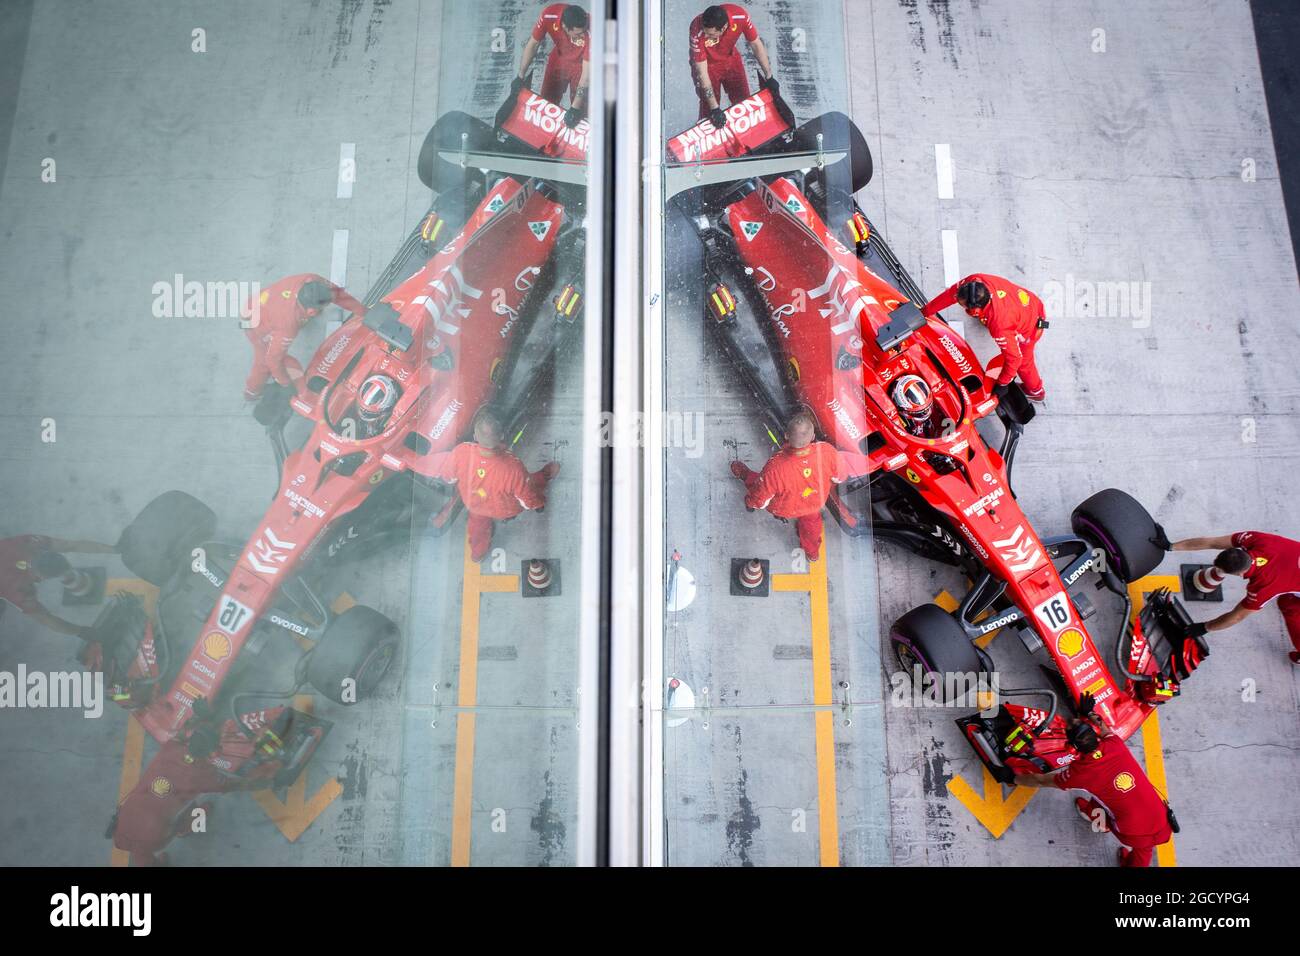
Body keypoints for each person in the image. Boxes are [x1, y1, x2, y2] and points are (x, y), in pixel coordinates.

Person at [1014, 696, 1174, 867]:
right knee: (1144, 848)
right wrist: (1089, 712)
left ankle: (1100, 821)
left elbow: (1041, 780)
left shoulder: (1079, 774)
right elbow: (1104, 727)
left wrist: (1013, 778)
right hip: (1160, 817)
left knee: (1101, 800)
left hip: (1131, 831)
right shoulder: (1114, 743)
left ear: (1073, 747)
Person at [729, 410, 872, 561]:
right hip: (813, 504)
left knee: (760, 483)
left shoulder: (775, 468)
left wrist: (750, 503)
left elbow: (761, 500)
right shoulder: (826, 451)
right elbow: (840, 477)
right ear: (813, 436)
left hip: (784, 507)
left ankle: (744, 475)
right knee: (811, 530)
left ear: (786, 436)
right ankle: (812, 554)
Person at [424, 409, 560, 562]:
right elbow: (526, 499)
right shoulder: (513, 467)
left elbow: (448, 478)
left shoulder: (461, 452)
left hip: (474, 505)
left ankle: (478, 555)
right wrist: (538, 504)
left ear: (475, 437)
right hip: (504, 509)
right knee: (530, 483)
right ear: (501, 436)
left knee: (477, 532)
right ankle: (546, 474)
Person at [1155, 527, 1300, 664]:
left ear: (1239, 574)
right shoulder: (1257, 539)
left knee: (1290, 607)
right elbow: (1212, 542)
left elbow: (1237, 616)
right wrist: (1170, 546)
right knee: (1286, 601)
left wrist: (1206, 627)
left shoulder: (1264, 586)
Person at [921, 274, 1048, 402]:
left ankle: (1035, 391)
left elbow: (1015, 359)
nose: (960, 305)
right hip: (1029, 302)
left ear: (976, 310)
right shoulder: (975, 282)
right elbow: (950, 295)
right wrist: (924, 312)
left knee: (1024, 363)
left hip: (1031, 327)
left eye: (963, 305)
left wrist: (1002, 383)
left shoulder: (999, 325)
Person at [242, 274, 366, 401]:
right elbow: (273, 360)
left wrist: (364, 313)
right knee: (263, 362)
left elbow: (339, 296)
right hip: (255, 322)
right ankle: (252, 391)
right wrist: (285, 383)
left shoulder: (313, 281)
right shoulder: (288, 325)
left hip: (266, 301)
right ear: (311, 312)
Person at [0, 534, 117, 650]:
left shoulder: (29, 542)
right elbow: (45, 618)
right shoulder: (19, 589)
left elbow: (70, 545)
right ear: (40, 576)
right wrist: (82, 632)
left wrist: (115, 549)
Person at [689, 4, 775, 127]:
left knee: (743, 101)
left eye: (711, 35)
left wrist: (769, 77)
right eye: (705, 33)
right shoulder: (696, 29)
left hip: (730, 59)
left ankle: (748, 135)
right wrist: (714, 109)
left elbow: (756, 44)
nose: (706, 36)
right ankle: (709, 132)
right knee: (709, 110)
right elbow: (702, 73)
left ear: (723, 28)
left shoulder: (740, 16)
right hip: (707, 65)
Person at [517, 3, 591, 127]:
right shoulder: (549, 14)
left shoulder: (592, 30)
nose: (583, 36)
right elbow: (533, 44)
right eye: (578, 34)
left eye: (583, 32)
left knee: (580, 112)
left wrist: (574, 108)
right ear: (565, 27)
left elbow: (587, 76)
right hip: (559, 59)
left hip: (582, 65)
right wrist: (520, 76)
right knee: (546, 102)